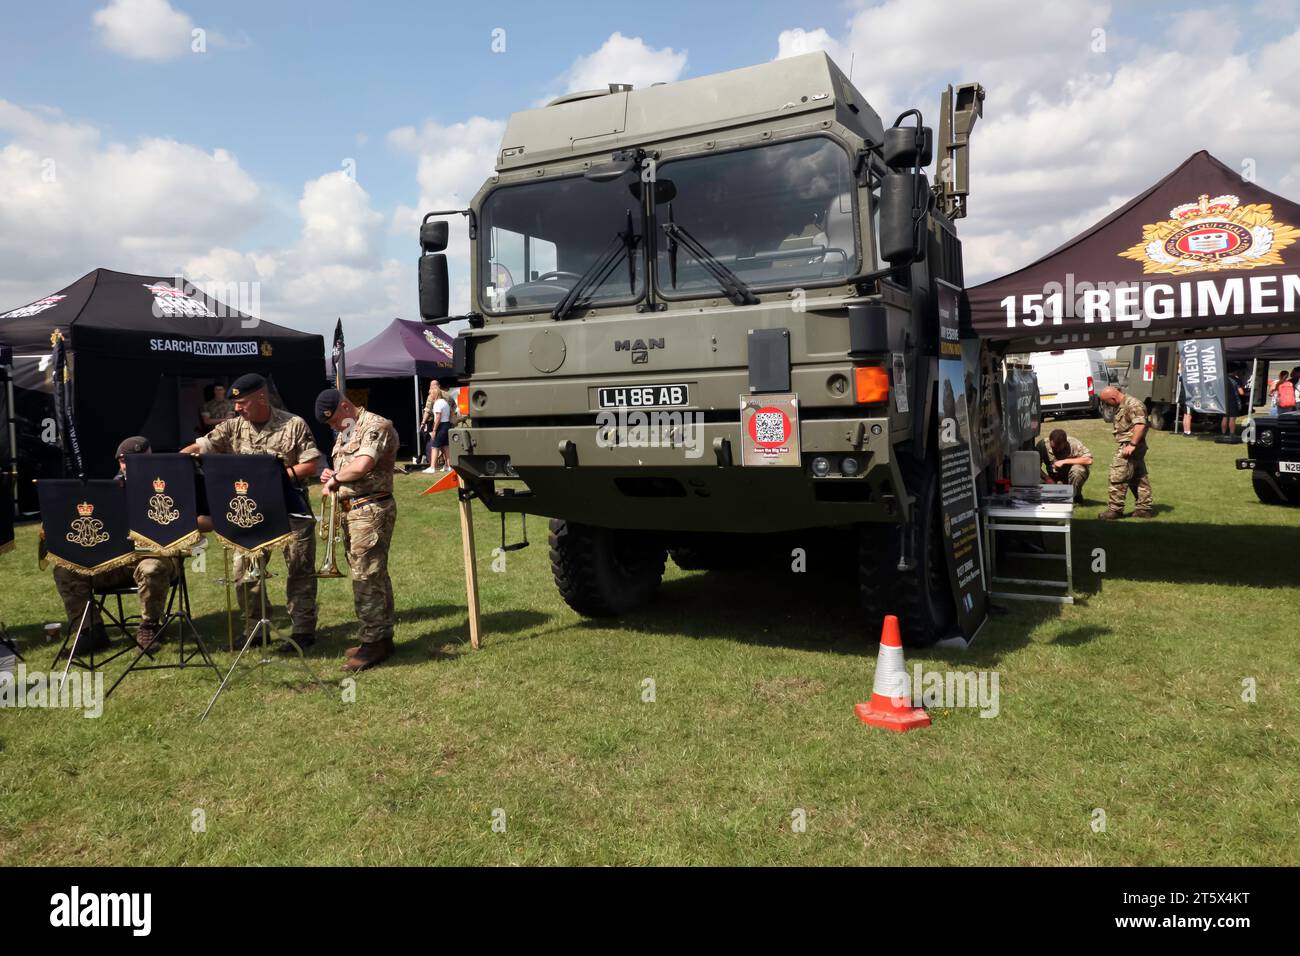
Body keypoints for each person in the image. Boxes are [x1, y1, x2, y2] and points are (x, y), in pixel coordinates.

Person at [181, 373, 321, 650]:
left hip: (289, 508)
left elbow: (310, 465)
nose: (237, 408)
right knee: (244, 569)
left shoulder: (293, 425)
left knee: (299, 569)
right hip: (249, 512)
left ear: (261, 397)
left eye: (242, 402)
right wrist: (175, 462)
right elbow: (201, 445)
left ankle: (303, 630)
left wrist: (272, 480)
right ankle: (255, 628)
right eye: (236, 404)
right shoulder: (234, 427)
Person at [51, 437, 178, 655]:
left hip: (155, 557)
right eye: (123, 461)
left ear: (149, 458)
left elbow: (197, 521)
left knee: (151, 569)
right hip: (116, 561)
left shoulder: (169, 484)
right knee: (65, 570)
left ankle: (149, 628)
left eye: (134, 460)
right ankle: (92, 632)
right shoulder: (108, 490)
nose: (128, 466)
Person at [315, 388, 399, 672]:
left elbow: (362, 465)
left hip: (370, 509)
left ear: (345, 407)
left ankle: (373, 642)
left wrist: (336, 477)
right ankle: (381, 637)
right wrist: (332, 474)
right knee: (372, 574)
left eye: (333, 420)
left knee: (366, 576)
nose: (332, 426)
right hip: (354, 510)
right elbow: (345, 467)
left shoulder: (375, 425)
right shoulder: (347, 431)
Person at [1097, 386, 1153, 520]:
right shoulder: (1124, 404)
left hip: (1130, 446)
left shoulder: (1133, 404)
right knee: (1138, 477)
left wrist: (1132, 444)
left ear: (1113, 398)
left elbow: (1140, 425)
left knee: (1118, 475)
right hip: (1133, 445)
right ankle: (1143, 509)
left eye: (1106, 402)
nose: (1106, 405)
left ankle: (1115, 510)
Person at [1037, 428, 1093, 502]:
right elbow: (1035, 466)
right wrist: (1048, 479)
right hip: (1052, 478)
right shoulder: (1042, 445)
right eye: (1053, 447)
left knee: (1078, 470)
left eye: (1058, 448)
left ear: (1065, 443)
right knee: (1033, 476)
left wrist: (1065, 461)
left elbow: (1089, 460)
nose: (1056, 450)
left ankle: (1074, 495)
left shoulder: (1073, 443)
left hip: (1070, 477)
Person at [420, 381, 452, 474]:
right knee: (446, 446)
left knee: (435, 446)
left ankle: (432, 467)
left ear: (435, 394)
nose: (430, 396)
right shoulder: (445, 402)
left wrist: (434, 430)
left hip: (441, 426)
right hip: (447, 424)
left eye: (431, 394)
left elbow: (438, 417)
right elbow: (450, 412)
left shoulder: (437, 403)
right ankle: (448, 466)